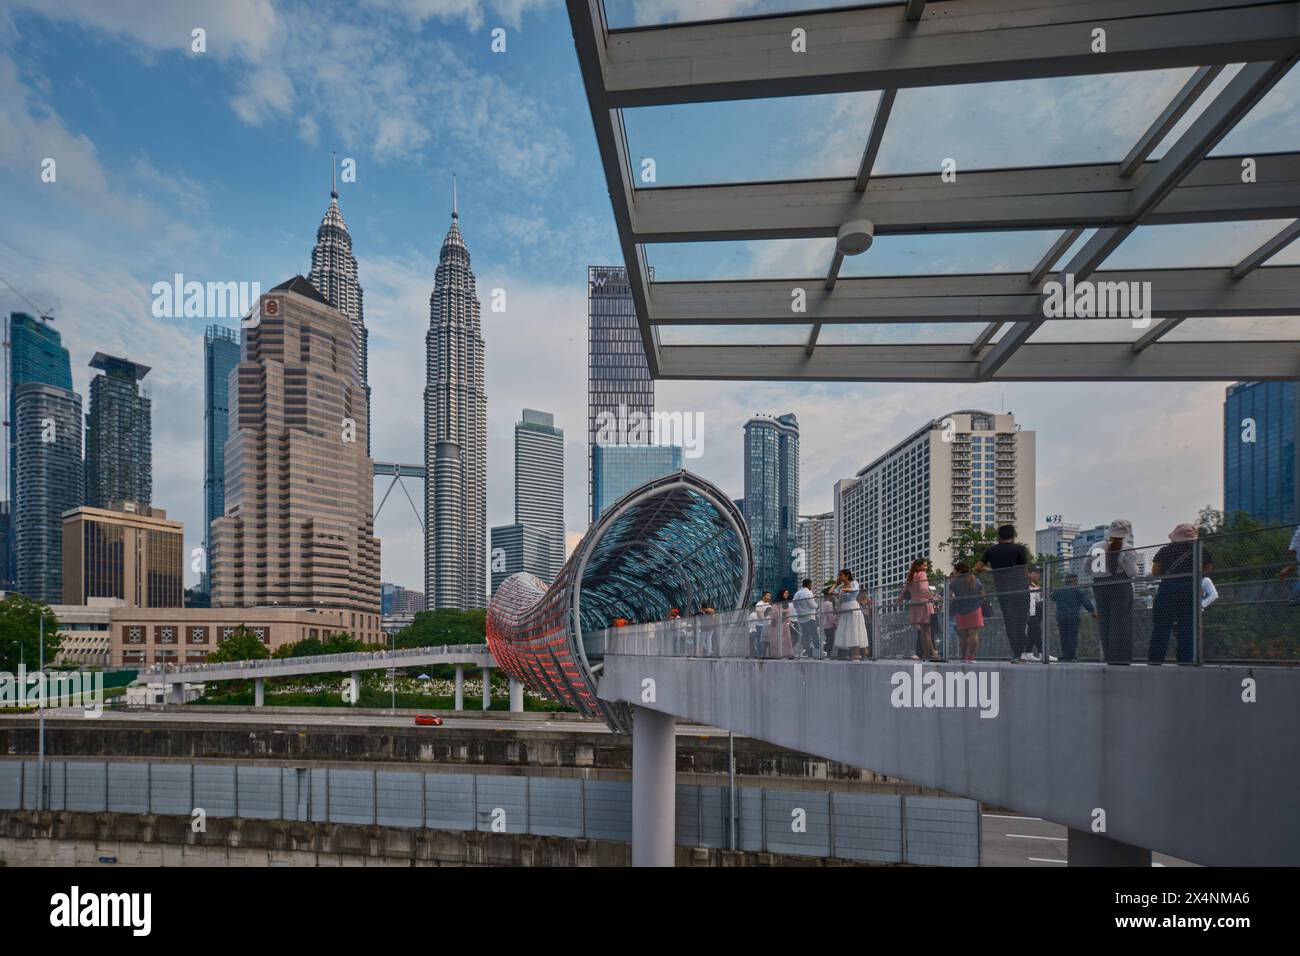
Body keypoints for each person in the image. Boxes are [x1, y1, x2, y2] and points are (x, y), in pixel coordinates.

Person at [1149, 523, 1212, 665]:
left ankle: (1156, 660)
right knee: (1187, 627)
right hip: (1190, 589)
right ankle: (1186, 660)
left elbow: (1155, 572)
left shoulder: (1165, 551)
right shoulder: (1200, 550)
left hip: (1168, 589)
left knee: (1161, 627)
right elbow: (1207, 570)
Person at [975, 524, 1031, 662]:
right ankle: (1021, 652)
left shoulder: (991, 550)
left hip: (1003, 590)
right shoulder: (1020, 549)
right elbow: (1024, 570)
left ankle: (1016, 654)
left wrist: (994, 571)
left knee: (1009, 621)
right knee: (1021, 621)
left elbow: (977, 567)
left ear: (999, 536)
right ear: (1013, 535)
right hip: (1020, 588)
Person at [1092, 519, 1138, 664]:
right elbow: (1132, 572)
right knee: (1121, 623)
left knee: (1105, 623)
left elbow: (1086, 568)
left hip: (1100, 587)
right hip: (1120, 587)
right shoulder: (1127, 548)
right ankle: (1121, 658)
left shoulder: (1096, 546)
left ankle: (1109, 656)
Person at [899, 558, 939, 661]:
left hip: (915, 604)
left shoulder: (911, 576)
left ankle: (926, 654)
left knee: (923, 631)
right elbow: (924, 589)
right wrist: (933, 598)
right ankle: (933, 653)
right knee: (927, 631)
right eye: (924, 566)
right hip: (924, 604)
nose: (926, 568)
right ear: (918, 566)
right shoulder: (922, 574)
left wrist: (898, 601)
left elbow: (904, 591)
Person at [1053, 572, 1097, 661]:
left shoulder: (1059, 590)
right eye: (1076, 579)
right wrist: (1092, 612)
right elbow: (1086, 603)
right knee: (1072, 636)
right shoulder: (1077, 590)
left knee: (1064, 636)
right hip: (1073, 616)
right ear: (1074, 580)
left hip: (1061, 616)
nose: (1077, 581)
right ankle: (1070, 656)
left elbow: (1052, 597)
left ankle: (1065, 655)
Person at [948, 562, 984, 662]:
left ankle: (963, 656)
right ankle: (971, 656)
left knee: (963, 637)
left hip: (960, 610)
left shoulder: (954, 582)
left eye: (955, 570)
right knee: (974, 635)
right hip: (975, 609)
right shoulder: (976, 580)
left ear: (959, 571)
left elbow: (949, 597)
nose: (954, 572)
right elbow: (982, 594)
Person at [831, 569, 869, 661]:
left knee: (854, 630)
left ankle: (856, 654)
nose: (839, 577)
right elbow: (831, 592)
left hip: (853, 607)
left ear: (847, 575)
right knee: (847, 630)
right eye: (839, 575)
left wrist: (843, 589)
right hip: (845, 609)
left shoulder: (854, 583)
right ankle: (852, 654)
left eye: (841, 575)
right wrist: (836, 584)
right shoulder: (840, 586)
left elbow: (855, 590)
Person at [1024, 567, 1055, 661]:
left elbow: (1038, 600)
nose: (1038, 574)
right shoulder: (1025, 584)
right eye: (1035, 572)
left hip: (1037, 612)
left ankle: (1031, 653)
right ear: (1029, 573)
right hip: (1030, 612)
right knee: (1036, 632)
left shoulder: (1036, 584)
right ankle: (1041, 653)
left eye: (1039, 573)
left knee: (1033, 633)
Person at [792, 578, 819, 658]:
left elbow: (795, 605)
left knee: (805, 636)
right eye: (811, 585)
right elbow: (812, 604)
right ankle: (817, 653)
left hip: (801, 618)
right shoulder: (808, 592)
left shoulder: (797, 593)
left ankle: (809, 652)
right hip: (810, 616)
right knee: (814, 635)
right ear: (809, 584)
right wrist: (816, 605)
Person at [767, 588, 794, 658]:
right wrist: (783, 611)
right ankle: (776, 654)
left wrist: (789, 621)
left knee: (786, 639)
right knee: (777, 639)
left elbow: (788, 613)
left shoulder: (786, 602)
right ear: (781, 594)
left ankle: (787, 654)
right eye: (785, 593)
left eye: (787, 593)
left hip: (785, 623)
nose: (786, 595)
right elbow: (773, 612)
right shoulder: (775, 603)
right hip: (776, 624)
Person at [751, 592, 772, 658]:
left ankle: (767, 654)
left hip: (768, 625)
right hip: (760, 625)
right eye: (768, 596)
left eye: (770, 596)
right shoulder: (759, 604)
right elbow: (759, 615)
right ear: (763, 596)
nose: (769, 597)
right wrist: (765, 621)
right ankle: (760, 655)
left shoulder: (768, 604)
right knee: (760, 640)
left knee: (768, 641)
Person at [818, 588, 838, 658]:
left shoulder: (821, 603)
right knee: (830, 640)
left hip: (823, 624)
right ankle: (828, 654)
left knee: (827, 639)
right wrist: (834, 623)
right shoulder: (829, 604)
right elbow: (830, 615)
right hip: (829, 625)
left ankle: (825, 653)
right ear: (829, 595)